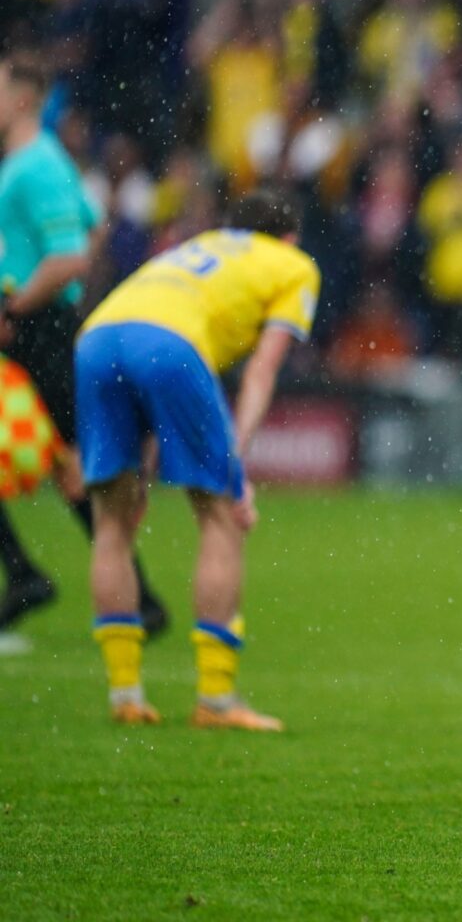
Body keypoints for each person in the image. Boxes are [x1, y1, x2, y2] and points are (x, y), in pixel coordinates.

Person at [77, 188, 321, 730]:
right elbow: (262, 370)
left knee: (111, 524)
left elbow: (136, 338)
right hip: (169, 345)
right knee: (220, 517)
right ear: (288, 236)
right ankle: (216, 700)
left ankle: (125, 694)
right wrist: (236, 465)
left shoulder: (200, 245)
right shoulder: (293, 264)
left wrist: (141, 467)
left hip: (96, 337)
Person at [0, 49, 170, 642]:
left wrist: (19, 302)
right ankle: (129, 595)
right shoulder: (46, 161)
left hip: (30, 326)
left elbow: (70, 252)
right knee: (75, 466)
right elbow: (92, 226)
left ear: (23, 97)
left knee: (78, 466)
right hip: (43, 323)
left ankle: (30, 576)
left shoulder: (33, 167)